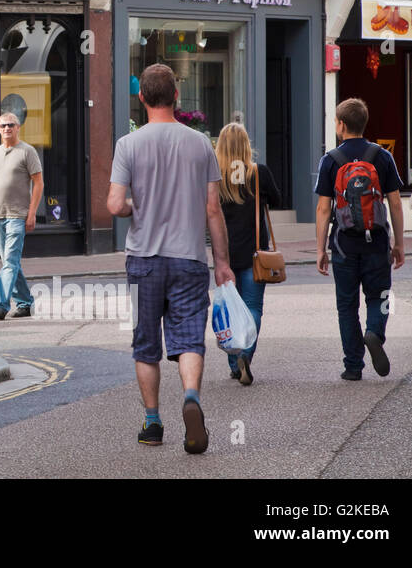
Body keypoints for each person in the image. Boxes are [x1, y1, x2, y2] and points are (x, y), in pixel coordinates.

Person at [106, 63, 233, 455]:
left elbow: (113, 204)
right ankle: (191, 396)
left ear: (141, 98)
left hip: (143, 259)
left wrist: (133, 208)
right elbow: (214, 209)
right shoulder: (200, 144)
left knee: (146, 345)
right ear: (176, 96)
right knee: (190, 338)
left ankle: (153, 422)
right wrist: (223, 263)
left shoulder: (128, 144)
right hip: (190, 258)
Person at [315, 98, 406, 381]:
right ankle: (375, 332)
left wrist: (320, 248)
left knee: (346, 305)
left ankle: (353, 366)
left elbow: (323, 208)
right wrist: (399, 243)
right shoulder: (382, 156)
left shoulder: (330, 160)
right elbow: (395, 203)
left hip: (343, 243)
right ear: (364, 124)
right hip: (377, 241)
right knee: (380, 296)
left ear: (341, 125)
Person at [214, 123, 281, 386]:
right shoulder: (258, 173)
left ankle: (234, 363)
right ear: (246, 145)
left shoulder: (215, 175)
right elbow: (277, 199)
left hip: (225, 253)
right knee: (253, 306)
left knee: (231, 309)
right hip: (255, 253)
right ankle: (245, 355)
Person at [0, 111, 42, 320]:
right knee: (10, 262)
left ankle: (1, 304)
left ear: (18, 127)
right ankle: (25, 303)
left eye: (11, 125)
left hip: (18, 215)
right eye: (3, 125)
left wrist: (32, 213)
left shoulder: (27, 151)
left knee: (10, 261)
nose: (7, 128)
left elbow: (39, 183)